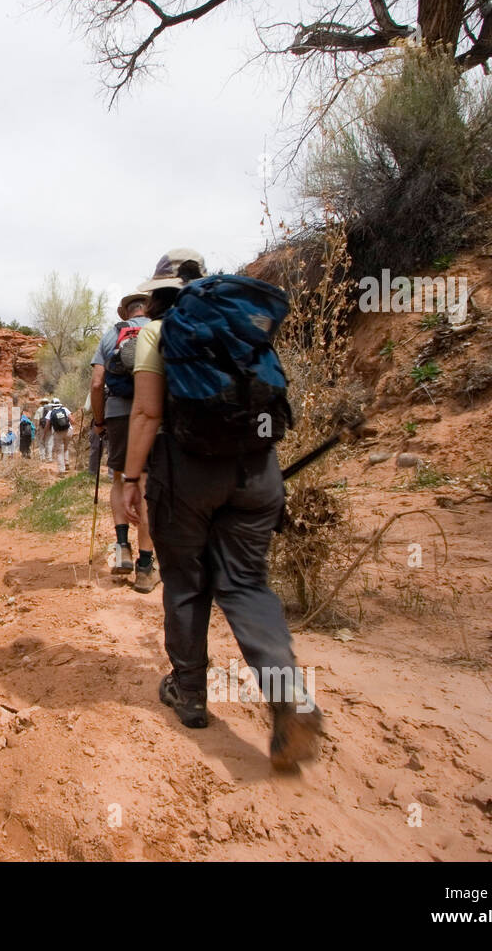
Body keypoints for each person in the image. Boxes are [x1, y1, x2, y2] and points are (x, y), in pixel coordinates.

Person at [120, 247, 323, 770]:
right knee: (247, 585)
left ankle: (188, 694)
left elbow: (146, 411)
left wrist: (129, 477)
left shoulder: (156, 332)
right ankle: (290, 697)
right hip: (258, 473)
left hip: (186, 473)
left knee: (186, 581)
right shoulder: (242, 327)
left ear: (159, 292)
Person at [90, 291, 158, 593]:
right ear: (149, 308)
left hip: (117, 414)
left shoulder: (111, 335)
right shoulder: (158, 330)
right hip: (154, 414)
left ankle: (122, 550)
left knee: (119, 478)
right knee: (146, 486)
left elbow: (96, 384)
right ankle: (145, 569)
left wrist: (100, 421)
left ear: (124, 312)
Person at [46, 398, 71, 472]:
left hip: (57, 433)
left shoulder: (50, 412)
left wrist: (45, 433)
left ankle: (61, 471)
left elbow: (47, 424)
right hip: (68, 431)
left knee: (60, 451)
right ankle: (67, 463)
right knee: (66, 448)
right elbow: (72, 419)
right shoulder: (65, 409)